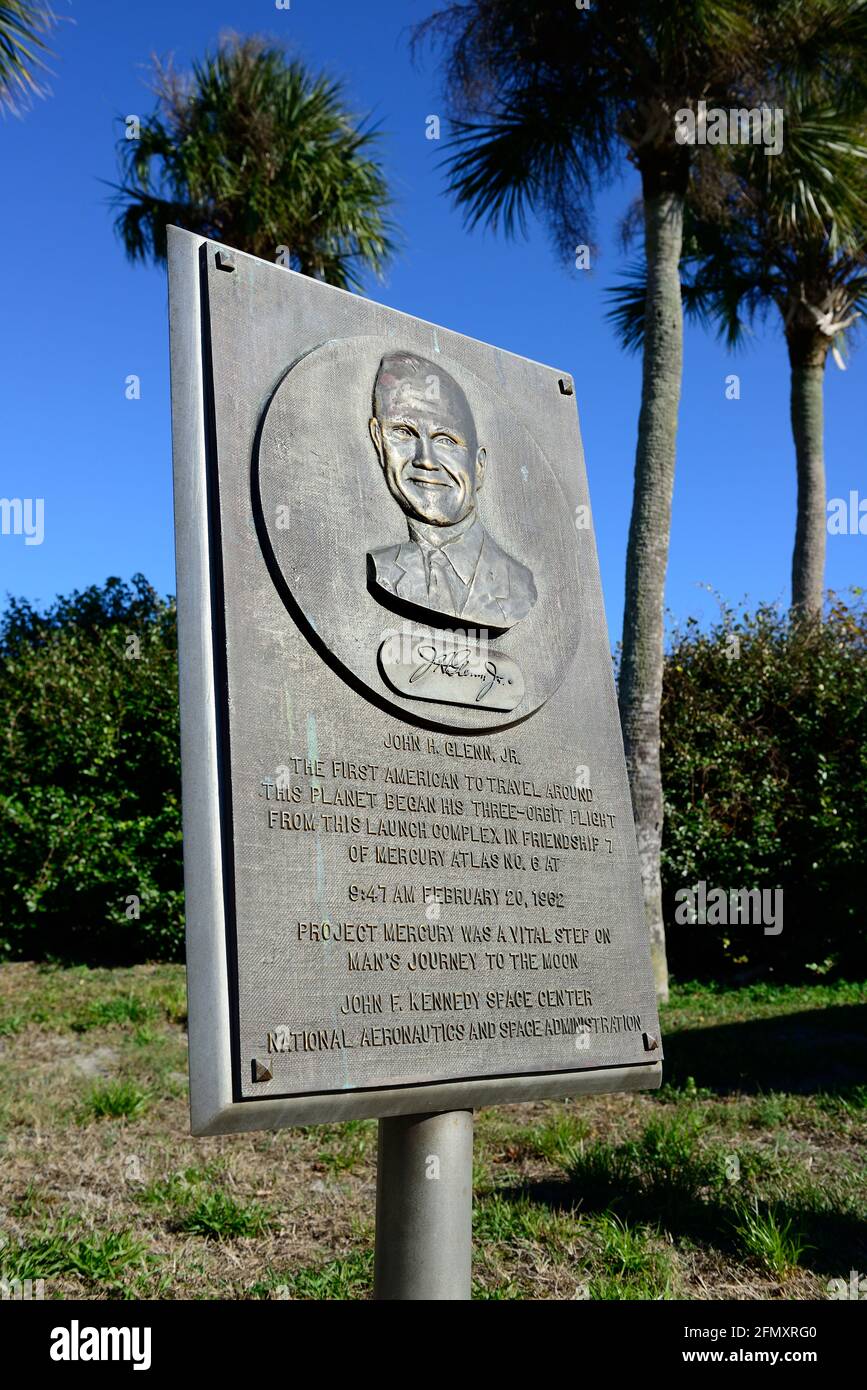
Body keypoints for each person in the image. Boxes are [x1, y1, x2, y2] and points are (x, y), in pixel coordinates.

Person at [367, 351, 537, 630]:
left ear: (479, 465)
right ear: (377, 440)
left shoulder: (519, 584)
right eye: (404, 433)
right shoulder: (380, 566)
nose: (426, 460)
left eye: (445, 440)